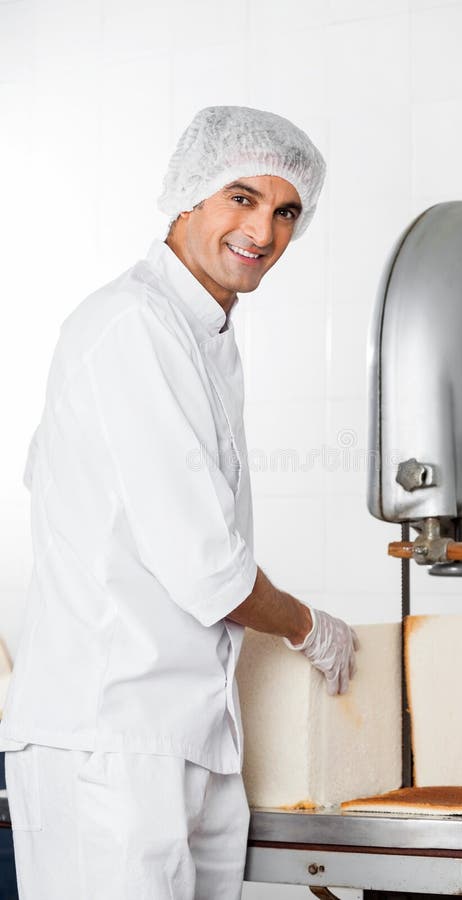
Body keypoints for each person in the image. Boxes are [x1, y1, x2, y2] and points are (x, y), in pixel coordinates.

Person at [0, 106, 358, 900]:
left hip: (186, 736)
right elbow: (211, 573)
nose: (263, 232)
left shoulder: (205, 335)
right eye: (242, 198)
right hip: (111, 739)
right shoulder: (131, 326)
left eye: (285, 212)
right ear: (188, 195)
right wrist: (308, 627)